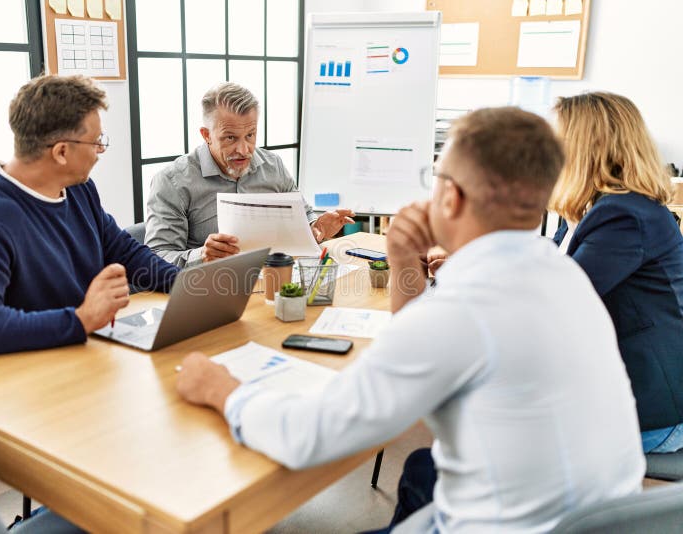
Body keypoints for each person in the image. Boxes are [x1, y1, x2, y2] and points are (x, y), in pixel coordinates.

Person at [176, 107, 645, 532]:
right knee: (424, 469)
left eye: (436, 175)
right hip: (593, 518)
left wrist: (222, 390)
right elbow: (415, 352)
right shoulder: (559, 271)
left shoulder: (463, 311)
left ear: (452, 196)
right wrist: (403, 263)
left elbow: (309, 437)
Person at [0, 75, 179, 358]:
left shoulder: (79, 189)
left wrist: (189, 286)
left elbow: (124, 251)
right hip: (31, 375)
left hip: (85, 355)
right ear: (62, 152)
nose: (100, 150)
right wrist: (81, 319)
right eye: (96, 141)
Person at [550, 92, 683, 454]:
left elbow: (557, 296)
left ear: (585, 148)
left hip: (653, 411)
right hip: (622, 387)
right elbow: (549, 266)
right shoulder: (593, 208)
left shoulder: (624, 215)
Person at [145, 82, 355, 267]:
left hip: (273, 282)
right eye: (230, 138)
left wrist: (316, 227)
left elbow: (303, 214)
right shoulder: (171, 182)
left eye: (250, 135)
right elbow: (155, 259)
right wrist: (201, 255)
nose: (244, 150)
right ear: (207, 135)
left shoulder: (273, 166)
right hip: (206, 290)